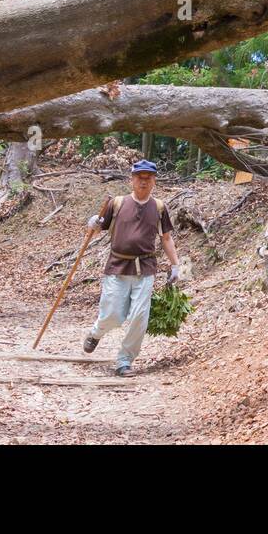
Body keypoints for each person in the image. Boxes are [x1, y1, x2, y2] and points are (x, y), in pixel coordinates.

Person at [81, 159, 180, 376]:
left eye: (148, 178)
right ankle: (96, 332)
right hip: (117, 266)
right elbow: (99, 228)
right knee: (113, 315)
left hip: (145, 267)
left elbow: (166, 238)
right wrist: (93, 223)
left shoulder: (159, 207)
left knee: (139, 317)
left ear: (154, 181)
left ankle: (124, 360)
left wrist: (175, 266)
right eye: (139, 177)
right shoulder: (117, 203)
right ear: (132, 179)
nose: (143, 182)